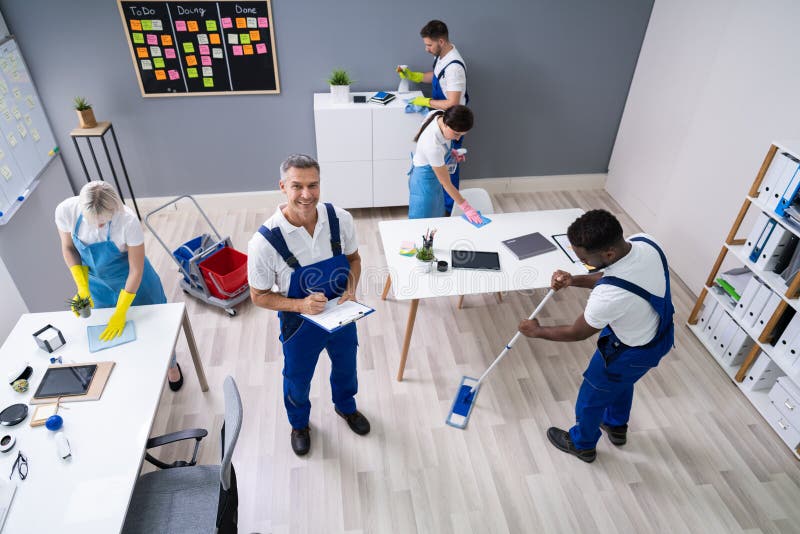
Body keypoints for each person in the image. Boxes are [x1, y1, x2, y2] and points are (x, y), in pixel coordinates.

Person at [518, 209, 674, 463]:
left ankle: (583, 445)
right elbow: (612, 274)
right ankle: (615, 425)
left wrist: (537, 331)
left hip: (628, 350)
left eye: (584, 260)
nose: (582, 264)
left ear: (608, 253)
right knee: (621, 383)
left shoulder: (609, 297)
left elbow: (577, 332)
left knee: (592, 396)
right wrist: (574, 280)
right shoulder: (646, 242)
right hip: (658, 332)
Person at [247, 154, 369, 457]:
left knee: (347, 369)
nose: (306, 194)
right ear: (282, 187)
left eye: (313, 185)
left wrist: (350, 291)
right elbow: (258, 295)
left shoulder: (340, 219)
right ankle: (299, 424)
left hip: (341, 314)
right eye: (297, 186)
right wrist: (301, 305)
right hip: (300, 324)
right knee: (297, 380)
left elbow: (354, 260)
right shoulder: (263, 243)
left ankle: (346, 407)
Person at [56, 181, 183, 391]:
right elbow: (69, 249)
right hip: (97, 284)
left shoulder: (127, 221)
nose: (99, 227)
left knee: (155, 330)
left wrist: (122, 309)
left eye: (104, 222)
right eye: (94, 222)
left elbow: (136, 270)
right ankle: (132, 373)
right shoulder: (66, 211)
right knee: (111, 337)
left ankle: (171, 367)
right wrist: (82, 287)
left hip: (133, 282)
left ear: (114, 210)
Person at [398, 20, 469, 214]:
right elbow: (437, 75)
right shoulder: (443, 56)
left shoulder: (455, 68)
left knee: (448, 169)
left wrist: (426, 102)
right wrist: (415, 76)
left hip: (452, 121)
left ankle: (448, 210)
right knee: (440, 163)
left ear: (442, 41)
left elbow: (453, 102)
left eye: (429, 45)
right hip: (441, 120)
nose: (427, 49)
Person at [409, 105, 482, 223]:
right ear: (446, 124)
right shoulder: (432, 146)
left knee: (437, 220)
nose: (458, 139)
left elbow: (443, 145)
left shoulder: (440, 114)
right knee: (421, 224)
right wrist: (467, 208)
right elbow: (446, 183)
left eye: (462, 135)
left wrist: (450, 153)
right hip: (424, 184)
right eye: (456, 134)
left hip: (435, 181)